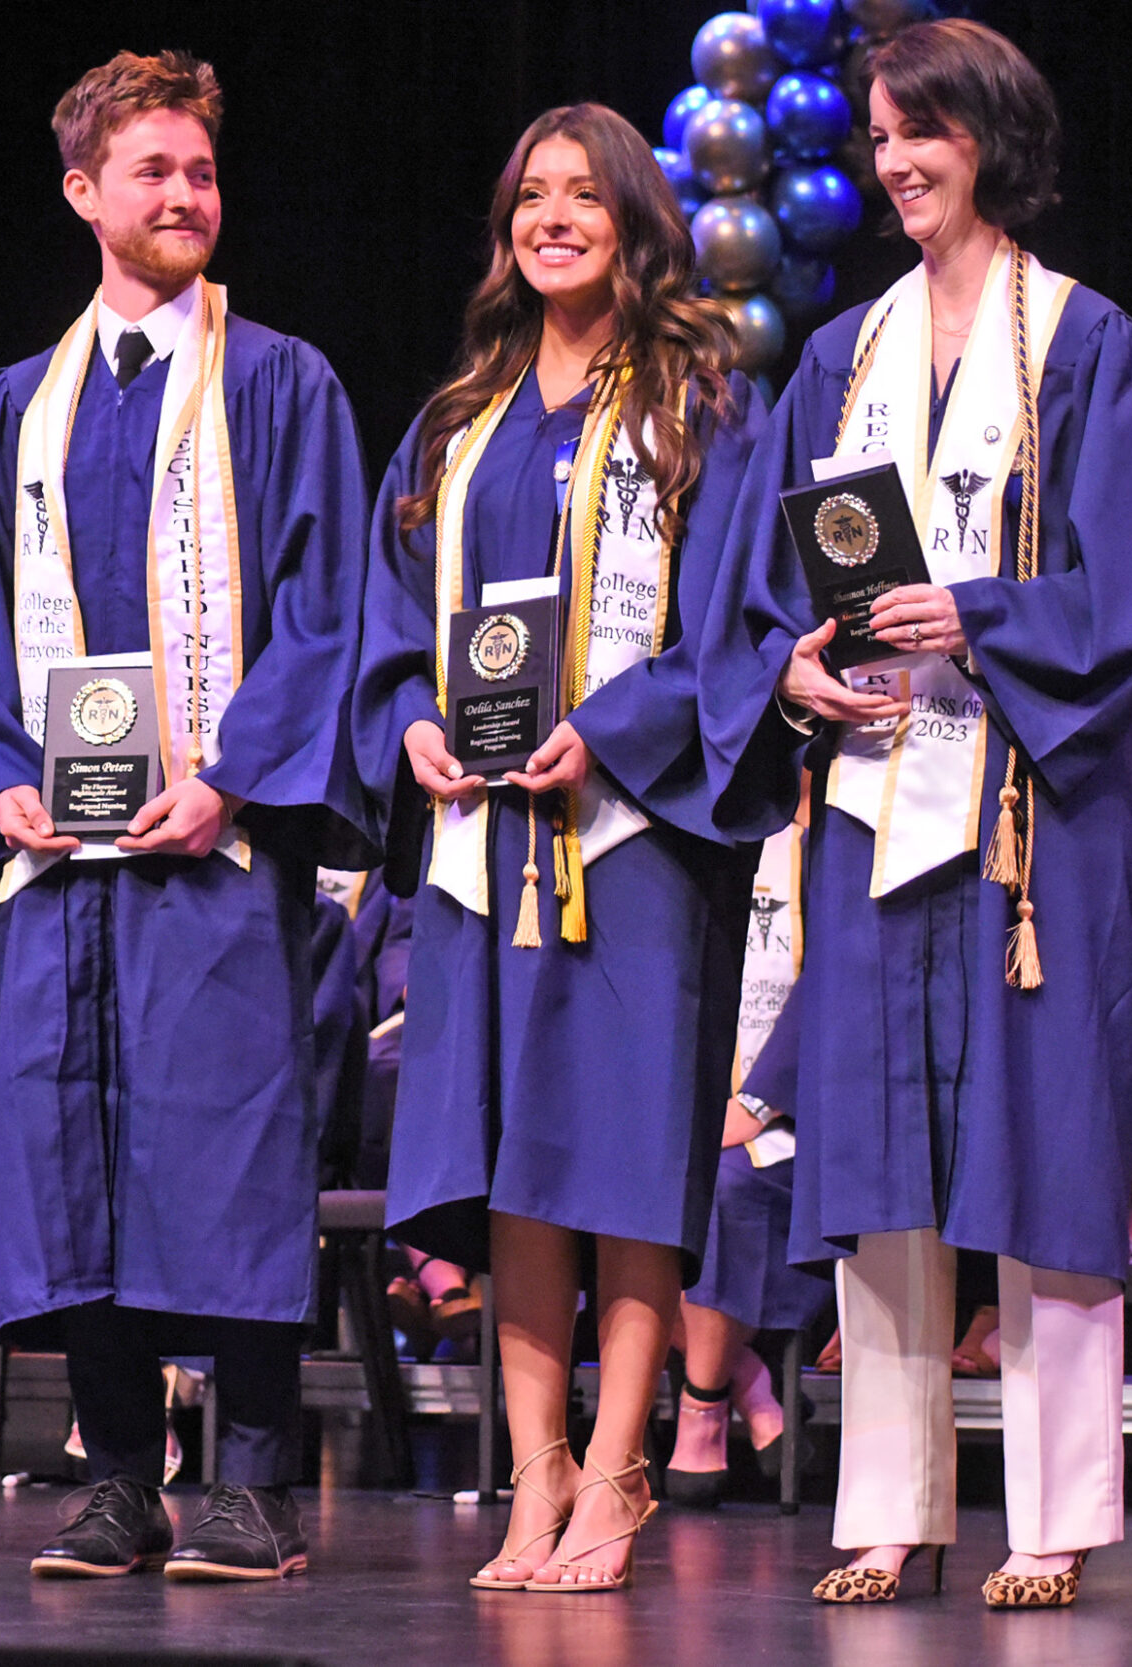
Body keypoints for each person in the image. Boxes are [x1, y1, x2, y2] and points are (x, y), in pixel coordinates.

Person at [709, 20, 1132, 1607]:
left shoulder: (1086, 344)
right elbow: (763, 583)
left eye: (920, 131)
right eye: (876, 140)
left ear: (987, 136)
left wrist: (976, 614)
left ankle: (1052, 1514)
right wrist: (796, 669)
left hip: (1023, 820)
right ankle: (893, 1502)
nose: (895, 162)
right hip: (870, 807)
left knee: (1040, 1152)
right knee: (874, 1161)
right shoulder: (839, 359)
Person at [0, 51, 373, 1583]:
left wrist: (235, 771)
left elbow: (323, 602)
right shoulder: (14, 409)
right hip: (61, 862)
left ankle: (252, 1472)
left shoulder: (278, 380)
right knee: (73, 1145)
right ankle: (118, 1470)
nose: (185, 197)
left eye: (200, 170)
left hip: (215, 851)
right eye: (153, 172)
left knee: (228, 1145)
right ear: (83, 193)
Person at [353, 102, 766, 1593]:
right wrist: (406, 720)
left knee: (624, 1166)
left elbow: (733, 625)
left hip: (631, 841)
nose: (554, 220)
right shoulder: (458, 417)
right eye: (532, 196)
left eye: (585, 197)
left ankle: (623, 1464)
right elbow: (392, 623)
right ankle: (534, 1476)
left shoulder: (697, 404)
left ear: (636, 219)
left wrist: (612, 724)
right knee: (517, 1167)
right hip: (479, 845)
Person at [665, 780, 833, 1506]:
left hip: (797, 1116)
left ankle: (702, 1404)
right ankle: (755, 1386)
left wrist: (761, 1098)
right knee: (610, 1192)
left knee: (723, 1189)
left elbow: (837, 982)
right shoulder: (697, 822)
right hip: (686, 1096)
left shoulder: (836, 833)